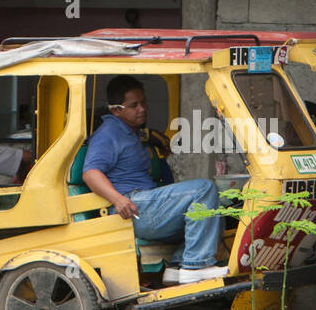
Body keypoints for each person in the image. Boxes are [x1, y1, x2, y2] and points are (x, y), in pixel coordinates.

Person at [81, 76, 226, 283]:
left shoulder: (132, 133)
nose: (142, 108)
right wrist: (118, 200)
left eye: (144, 102)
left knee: (215, 210)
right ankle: (196, 264)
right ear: (116, 110)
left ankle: (179, 265)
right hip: (132, 207)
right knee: (204, 189)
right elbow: (91, 173)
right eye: (134, 105)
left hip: (145, 204)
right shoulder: (108, 133)